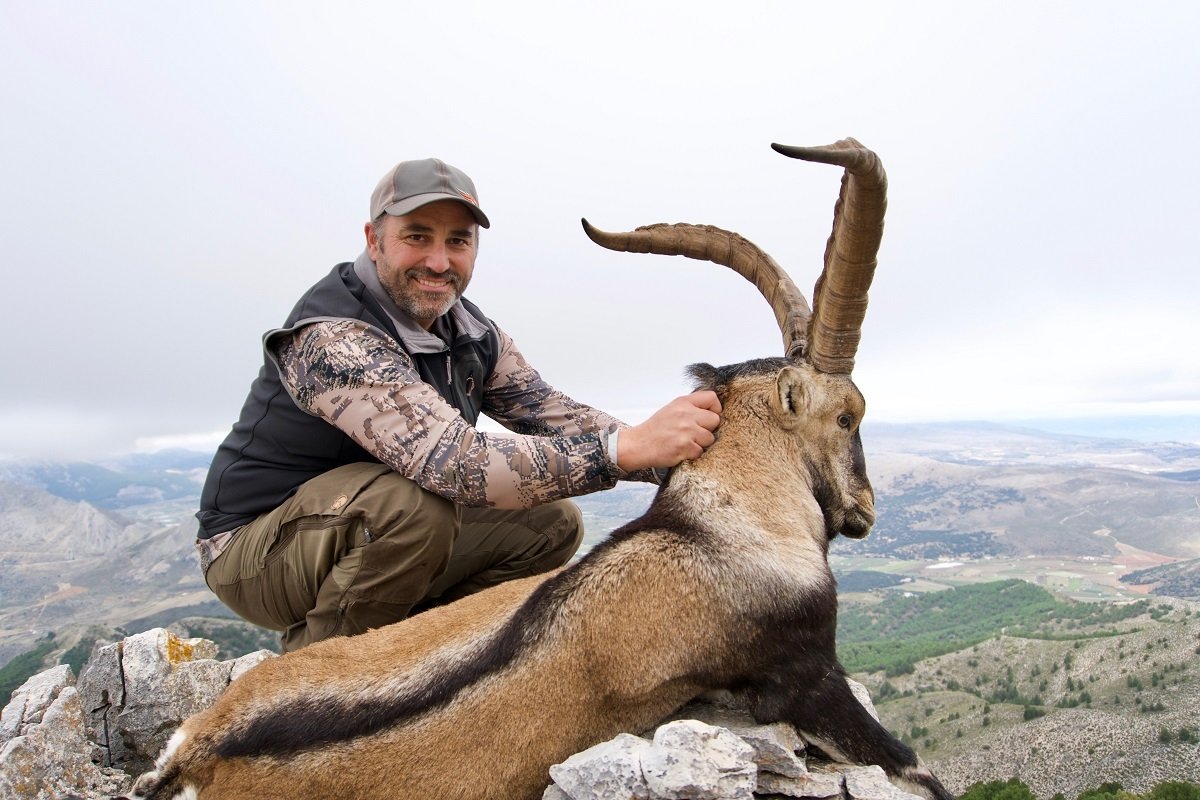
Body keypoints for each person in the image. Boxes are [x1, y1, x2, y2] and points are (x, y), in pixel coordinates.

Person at [196, 157, 721, 652]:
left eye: (458, 241)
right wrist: (626, 450)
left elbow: (550, 414)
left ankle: (432, 662)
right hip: (252, 552)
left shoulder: (470, 331)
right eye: (417, 237)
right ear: (374, 240)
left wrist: (680, 455)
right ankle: (316, 683)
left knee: (551, 524)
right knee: (411, 510)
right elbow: (459, 465)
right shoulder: (334, 338)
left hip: (352, 528)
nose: (439, 261)